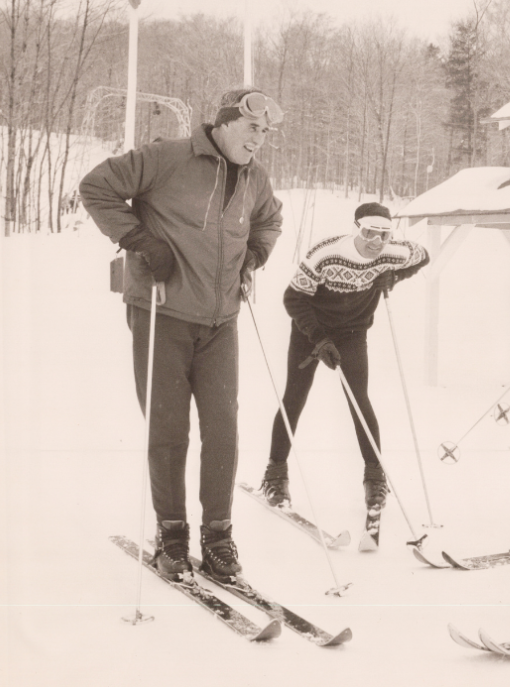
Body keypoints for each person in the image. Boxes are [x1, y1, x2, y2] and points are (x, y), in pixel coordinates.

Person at [80, 88, 285, 583]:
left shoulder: (256, 178)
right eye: (252, 128)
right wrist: (140, 240)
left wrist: (253, 258)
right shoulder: (167, 157)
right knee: (169, 431)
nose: (259, 140)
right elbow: (97, 186)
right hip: (162, 313)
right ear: (224, 123)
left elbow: (270, 222)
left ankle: (217, 535)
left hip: (221, 322)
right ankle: (172, 536)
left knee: (223, 430)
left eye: (266, 133)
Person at [259, 203, 429, 526]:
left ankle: (375, 478)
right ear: (356, 228)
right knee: (294, 397)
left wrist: (394, 275)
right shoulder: (326, 254)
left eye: (383, 235)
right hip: (311, 331)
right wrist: (319, 338)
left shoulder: (390, 252)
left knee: (358, 400)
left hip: (352, 332)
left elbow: (422, 254)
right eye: (369, 233)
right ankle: (275, 472)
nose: (376, 242)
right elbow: (293, 298)